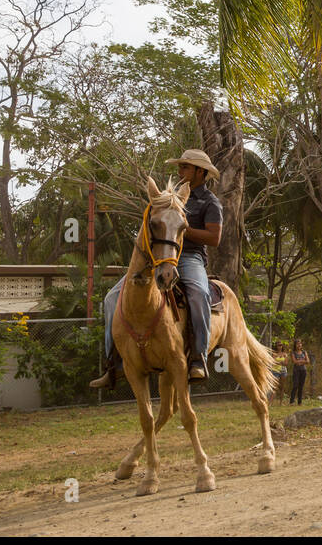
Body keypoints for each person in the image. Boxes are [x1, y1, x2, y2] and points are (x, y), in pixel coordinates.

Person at [89, 149, 224, 388]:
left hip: (189, 256)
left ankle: (198, 357)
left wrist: (178, 228)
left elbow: (214, 238)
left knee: (199, 294)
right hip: (157, 256)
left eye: (185, 167)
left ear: (200, 172)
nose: (180, 171)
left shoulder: (210, 202)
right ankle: (114, 364)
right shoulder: (167, 196)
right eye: (180, 166)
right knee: (111, 299)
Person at [289, 338, 310, 405]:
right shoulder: (293, 352)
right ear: (295, 345)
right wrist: (303, 361)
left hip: (303, 370)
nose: (299, 345)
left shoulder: (304, 352)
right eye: (297, 344)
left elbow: (308, 361)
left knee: (301, 386)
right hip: (296, 371)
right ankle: (292, 401)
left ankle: (299, 402)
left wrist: (300, 361)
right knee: (295, 385)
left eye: (300, 343)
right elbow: (294, 361)